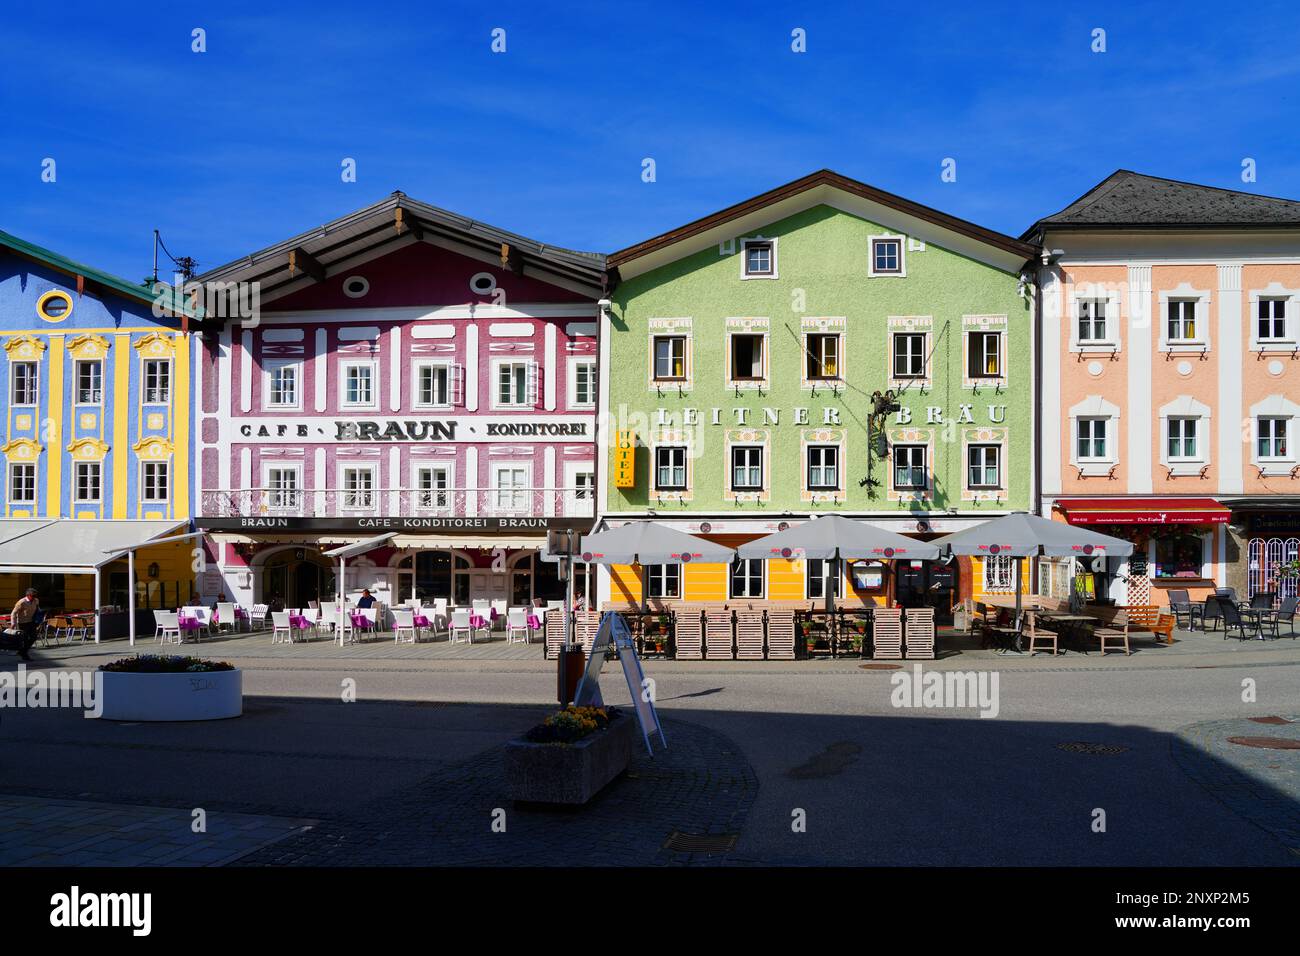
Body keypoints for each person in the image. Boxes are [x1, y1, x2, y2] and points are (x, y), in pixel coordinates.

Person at [8, 588, 40, 661]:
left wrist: (38, 617)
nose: (34, 597)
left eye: (35, 596)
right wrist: (13, 623)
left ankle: (22, 651)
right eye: (33, 596)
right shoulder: (21, 602)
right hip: (22, 623)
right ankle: (24, 655)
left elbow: (37, 609)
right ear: (28, 595)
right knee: (25, 639)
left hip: (32, 621)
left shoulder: (36, 600)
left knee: (33, 637)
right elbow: (13, 613)